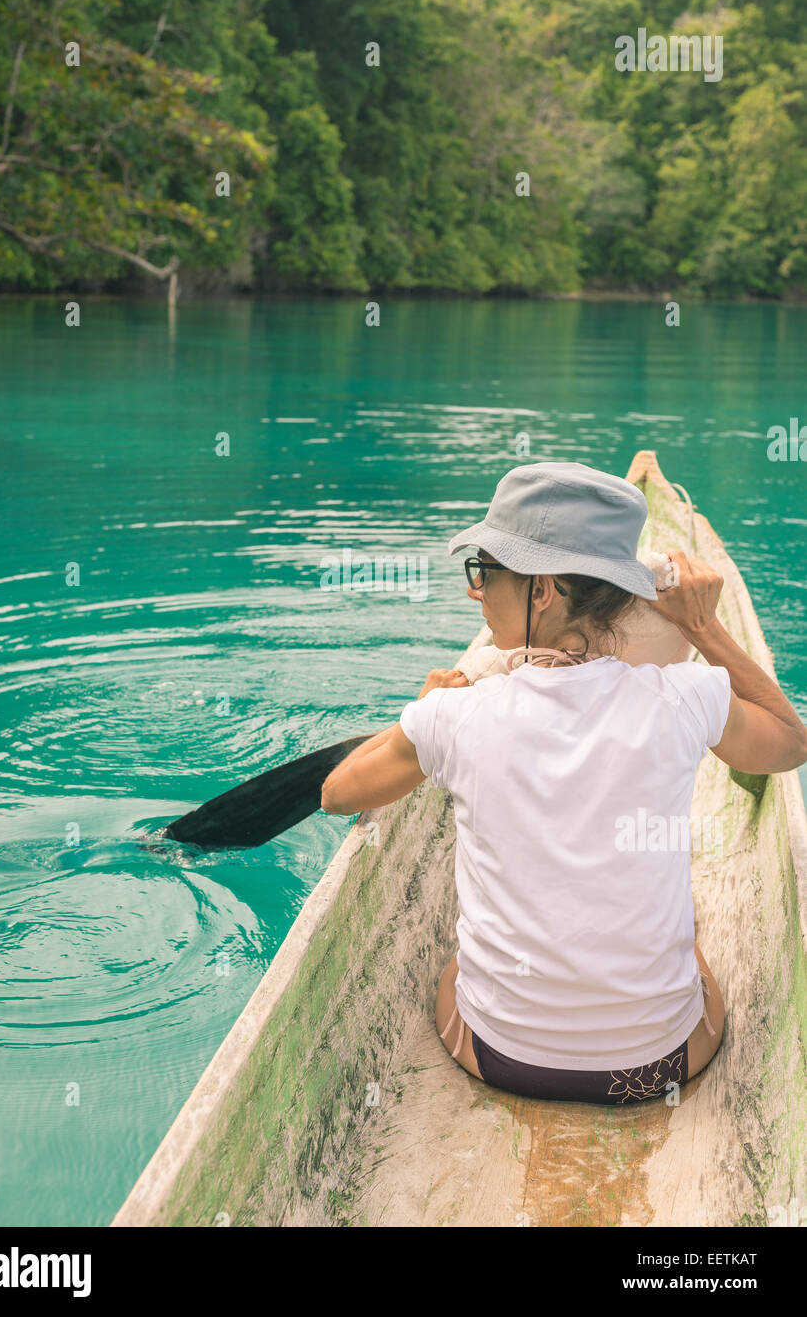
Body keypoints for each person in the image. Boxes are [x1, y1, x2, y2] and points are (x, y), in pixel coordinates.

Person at [321, 461, 807, 1106]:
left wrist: (419, 711)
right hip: (660, 1066)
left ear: (542, 590)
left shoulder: (455, 715)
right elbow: (788, 742)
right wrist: (703, 629)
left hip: (502, 1060)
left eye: (484, 572)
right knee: (697, 959)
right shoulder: (687, 695)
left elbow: (337, 793)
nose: (476, 593)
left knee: (452, 973)